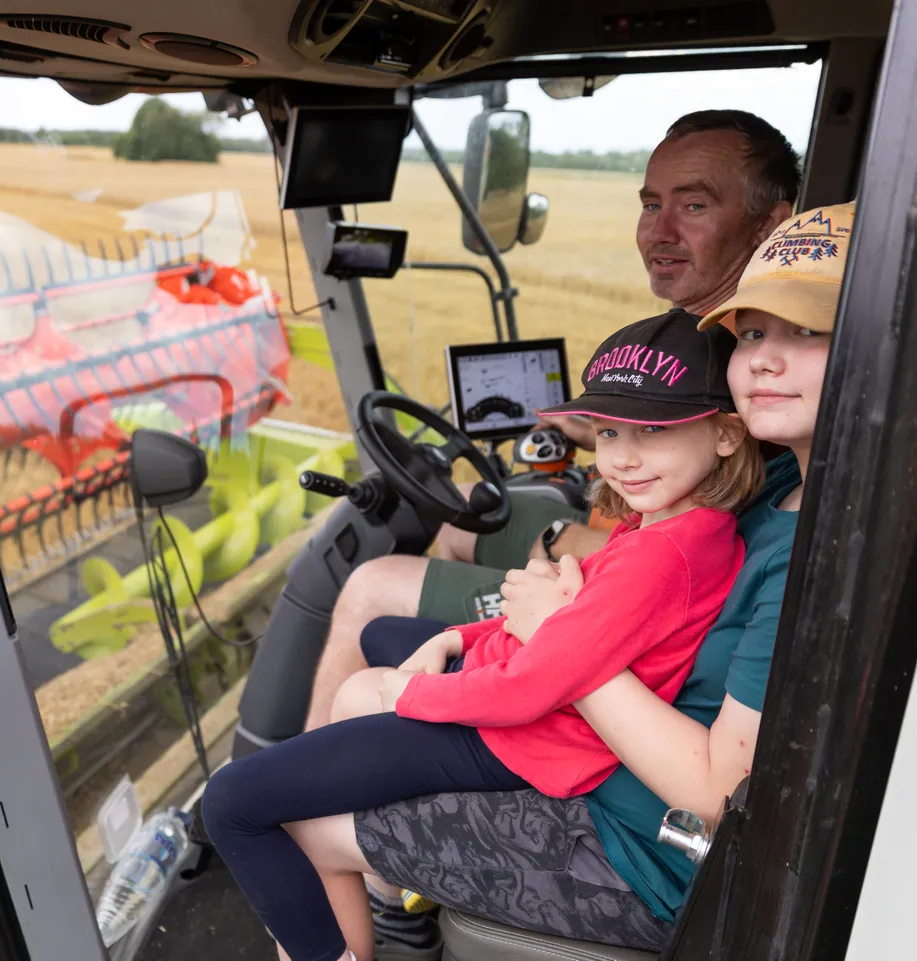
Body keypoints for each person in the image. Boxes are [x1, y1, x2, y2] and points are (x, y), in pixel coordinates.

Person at [277, 201, 856, 959]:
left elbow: (719, 793)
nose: (765, 360)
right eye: (751, 334)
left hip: (637, 852)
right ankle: (400, 897)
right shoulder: (782, 478)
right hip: (610, 773)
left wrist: (558, 634)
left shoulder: (808, 555)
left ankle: (396, 911)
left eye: (808, 331)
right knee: (384, 666)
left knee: (305, 824)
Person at [203, 310, 768, 961]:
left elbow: (530, 688)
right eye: (609, 430)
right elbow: (567, 632)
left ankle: (364, 914)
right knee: (385, 630)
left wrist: (407, 692)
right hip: (548, 720)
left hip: (528, 740)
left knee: (235, 801)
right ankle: (388, 890)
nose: (622, 457)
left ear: (726, 434)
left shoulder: (659, 555)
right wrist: (456, 641)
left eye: (652, 430)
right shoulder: (670, 527)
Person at [303, 109, 802, 734]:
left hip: (642, 609)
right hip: (622, 554)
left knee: (371, 589)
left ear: (770, 227)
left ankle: (318, 798)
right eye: (651, 206)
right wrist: (596, 433)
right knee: (462, 508)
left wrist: (557, 544)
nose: (659, 233)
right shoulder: (699, 343)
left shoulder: (759, 377)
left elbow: (696, 555)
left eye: (695, 207)